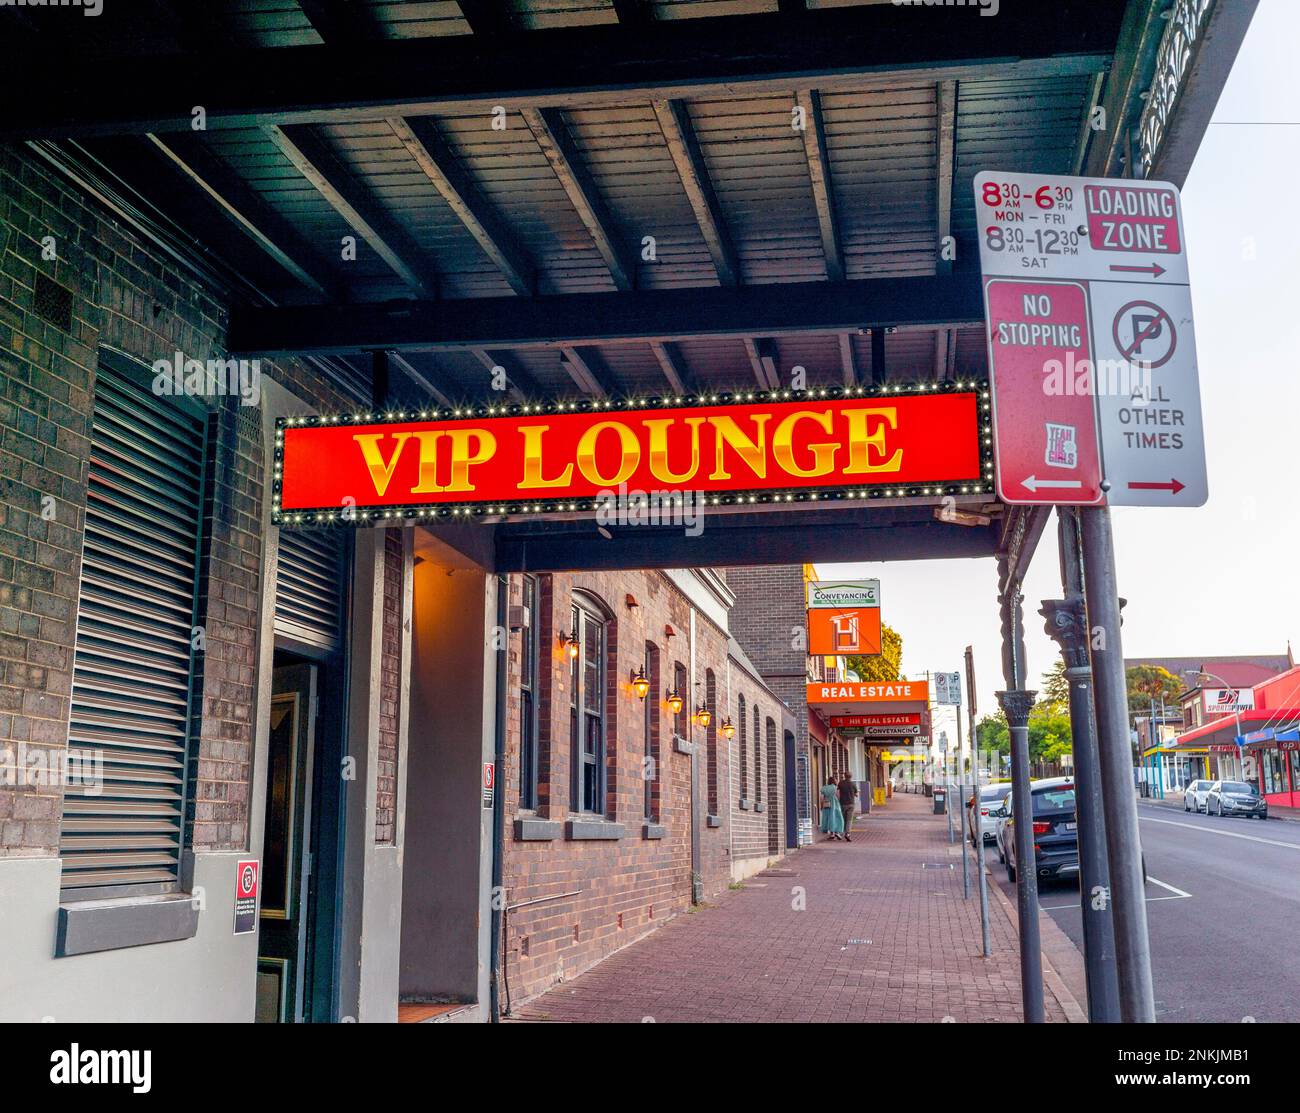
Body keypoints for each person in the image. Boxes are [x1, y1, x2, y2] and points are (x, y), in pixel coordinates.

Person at [819, 775, 844, 840]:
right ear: (834, 781)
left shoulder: (824, 788)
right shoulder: (835, 788)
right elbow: (838, 796)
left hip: (827, 804)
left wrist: (821, 805)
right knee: (837, 817)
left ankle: (832, 833)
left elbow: (821, 798)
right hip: (835, 804)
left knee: (829, 818)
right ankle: (837, 832)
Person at [838, 771, 859, 841]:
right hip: (851, 804)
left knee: (843, 819)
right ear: (851, 777)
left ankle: (840, 833)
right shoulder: (853, 784)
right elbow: (856, 794)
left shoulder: (840, 783)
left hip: (843, 803)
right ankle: (847, 833)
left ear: (844, 776)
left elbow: (837, 792)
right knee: (849, 820)